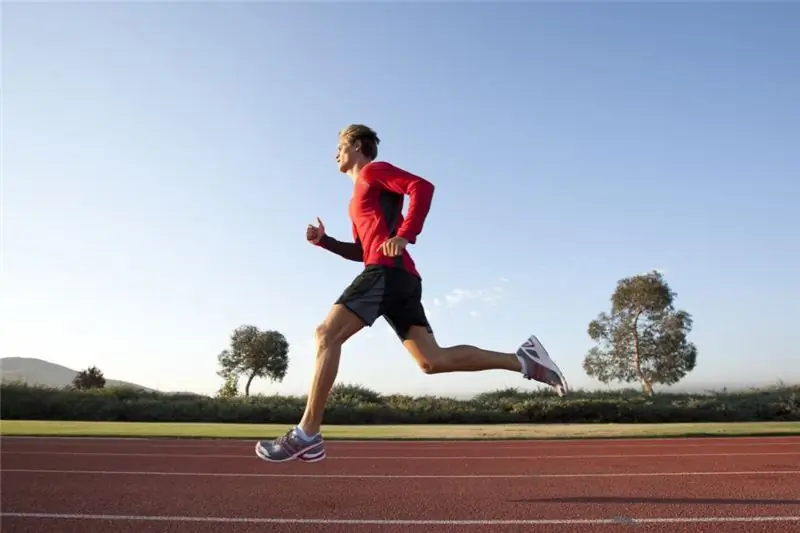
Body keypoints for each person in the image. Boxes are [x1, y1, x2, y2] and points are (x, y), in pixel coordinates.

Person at [255, 124, 568, 463]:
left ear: (358, 146)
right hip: (397, 276)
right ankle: (523, 360)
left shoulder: (374, 171)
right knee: (432, 361)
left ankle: (308, 433)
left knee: (326, 335)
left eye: (340, 146)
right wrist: (323, 241)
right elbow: (362, 250)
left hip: (387, 272)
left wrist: (406, 235)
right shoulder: (354, 202)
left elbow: (421, 187)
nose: (335, 153)